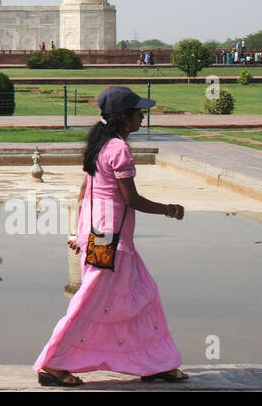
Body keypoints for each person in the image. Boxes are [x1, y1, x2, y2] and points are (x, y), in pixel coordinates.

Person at [34, 85, 187, 386]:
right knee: (90, 301)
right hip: (109, 239)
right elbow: (131, 199)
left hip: (102, 233)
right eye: (138, 113)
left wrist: (79, 232)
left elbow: (85, 191)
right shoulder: (118, 149)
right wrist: (169, 209)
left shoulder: (101, 144)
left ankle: (156, 363)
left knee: (142, 298)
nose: (142, 118)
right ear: (124, 118)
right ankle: (53, 363)